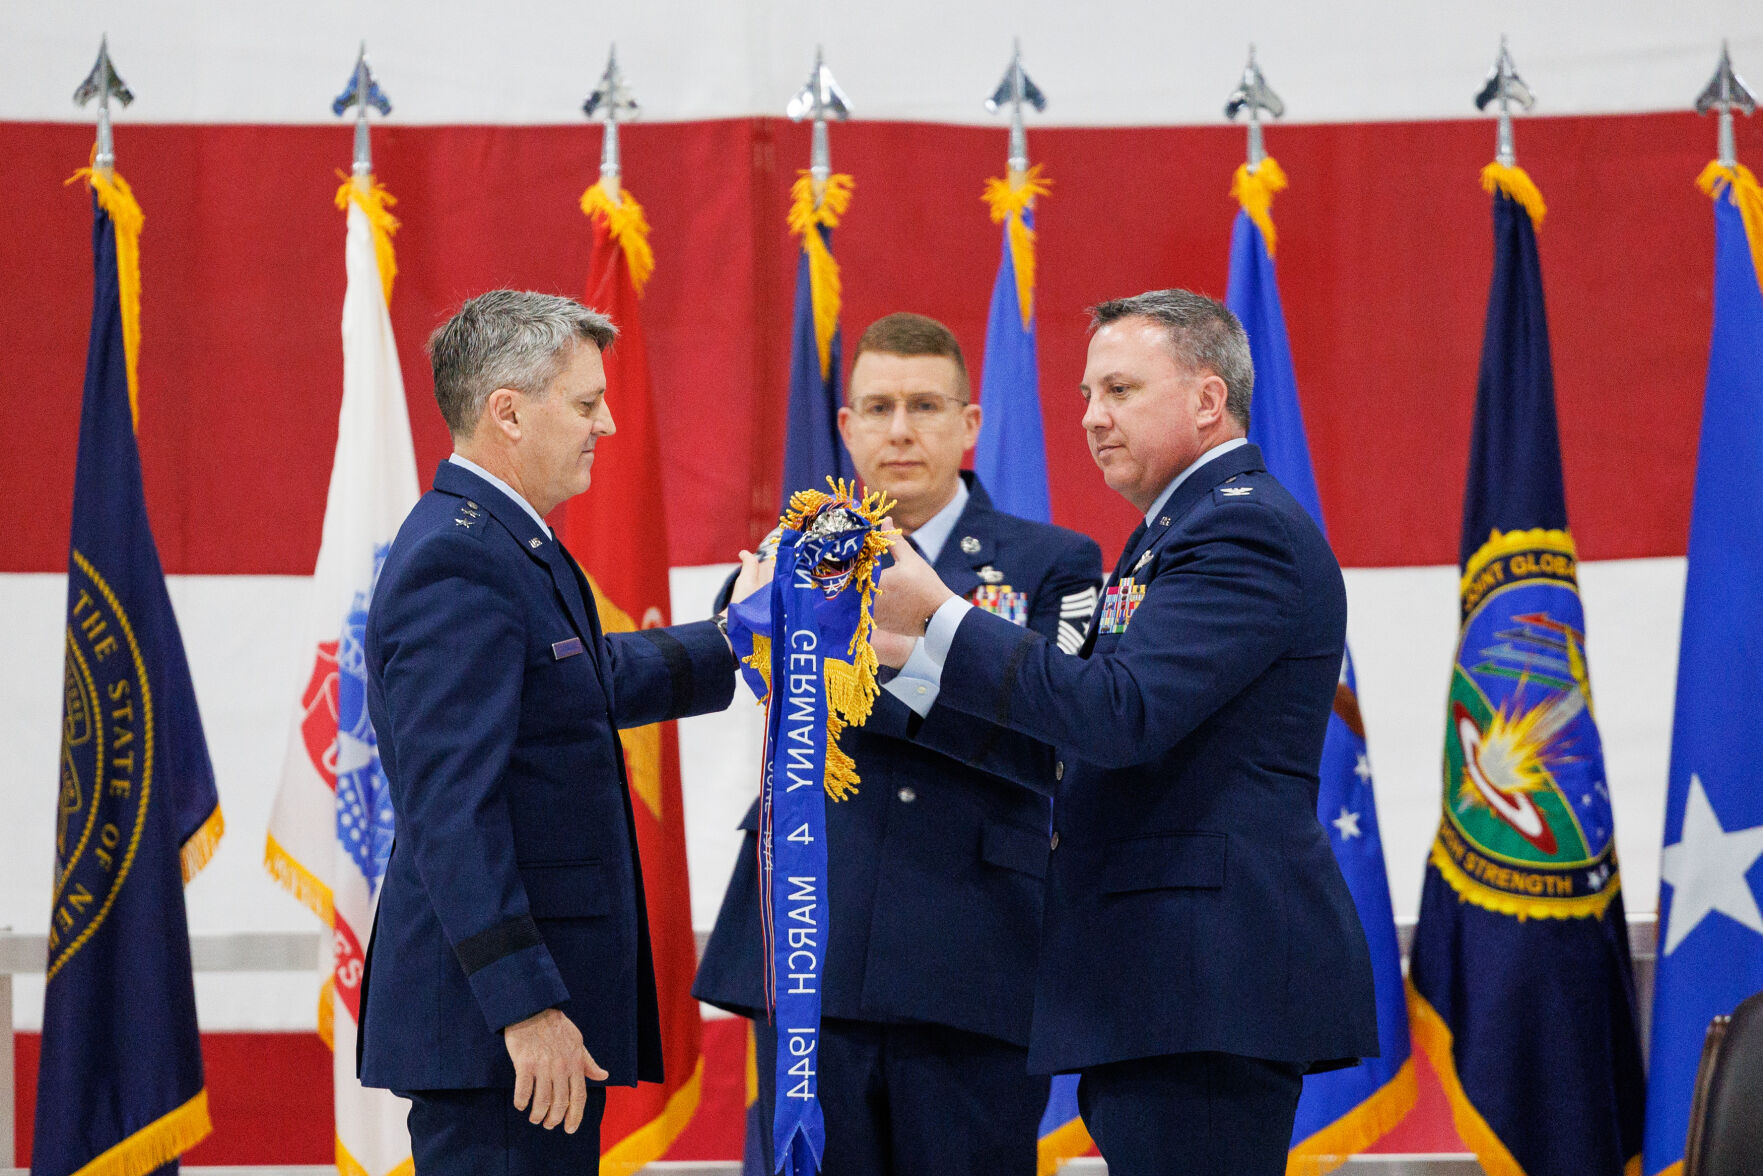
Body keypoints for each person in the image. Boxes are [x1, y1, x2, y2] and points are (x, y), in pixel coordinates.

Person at [868, 290, 1378, 1176]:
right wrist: (904, 657)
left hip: (1204, 977)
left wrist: (941, 615)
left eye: (1119, 390)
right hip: (1159, 980)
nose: (1091, 418)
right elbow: (1081, 722)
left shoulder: (1241, 530)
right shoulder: (1176, 530)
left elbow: (1118, 715)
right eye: (1084, 395)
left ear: (1207, 400)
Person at [357, 290, 765, 1172]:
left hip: (521, 1017)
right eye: (585, 404)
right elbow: (450, 809)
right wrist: (524, 1006)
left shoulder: (504, 542)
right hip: (498, 1030)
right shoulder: (458, 558)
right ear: (508, 411)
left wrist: (743, 633)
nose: (606, 424)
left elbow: (583, 682)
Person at [694, 312, 1102, 1175]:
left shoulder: (1054, 564)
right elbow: (769, 677)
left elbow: (1056, 726)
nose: (901, 430)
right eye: (876, 407)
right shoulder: (785, 559)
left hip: (974, 948)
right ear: (844, 427)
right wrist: (952, 675)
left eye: (924, 405)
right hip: (814, 943)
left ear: (970, 423)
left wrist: (887, 665)